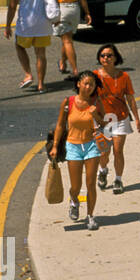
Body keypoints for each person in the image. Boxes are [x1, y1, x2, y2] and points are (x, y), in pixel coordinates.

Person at [50, 71, 107, 230]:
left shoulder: (96, 102)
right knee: (75, 186)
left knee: (90, 184)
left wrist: (96, 115)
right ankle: (74, 201)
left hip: (91, 145)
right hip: (73, 146)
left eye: (92, 85)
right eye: (86, 83)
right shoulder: (68, 102)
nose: (89, 87)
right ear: (78, 84)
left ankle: (90, 216)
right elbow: (60, 125)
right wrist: (55, 146)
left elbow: (106, 125)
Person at [4, 0, 56, 94]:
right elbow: (53, 1)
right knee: (41, 54)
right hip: (43, 24)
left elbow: (12, 7)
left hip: (26, 25)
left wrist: (7, 25)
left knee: (19, 46)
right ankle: (41, 85)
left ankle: (28, 74)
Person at [94, 44, 140, 194]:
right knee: (103, 152)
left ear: (115, 58)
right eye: (103, 56)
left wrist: (137, 118)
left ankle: (118, 179)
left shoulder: (124, 77)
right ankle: (103, 170)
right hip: (103, 120)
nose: (106, 58)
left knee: (118, 150)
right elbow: (89, 99)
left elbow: (130, 98)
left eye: (109, 55)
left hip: (120, 118)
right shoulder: (94, 76)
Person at [46, 0, 91, 79]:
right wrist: (87, 13)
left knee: (67, 41)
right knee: (67, 38)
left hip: (62, 9)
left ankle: (75, 70)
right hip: (74, 8)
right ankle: (63, 63)